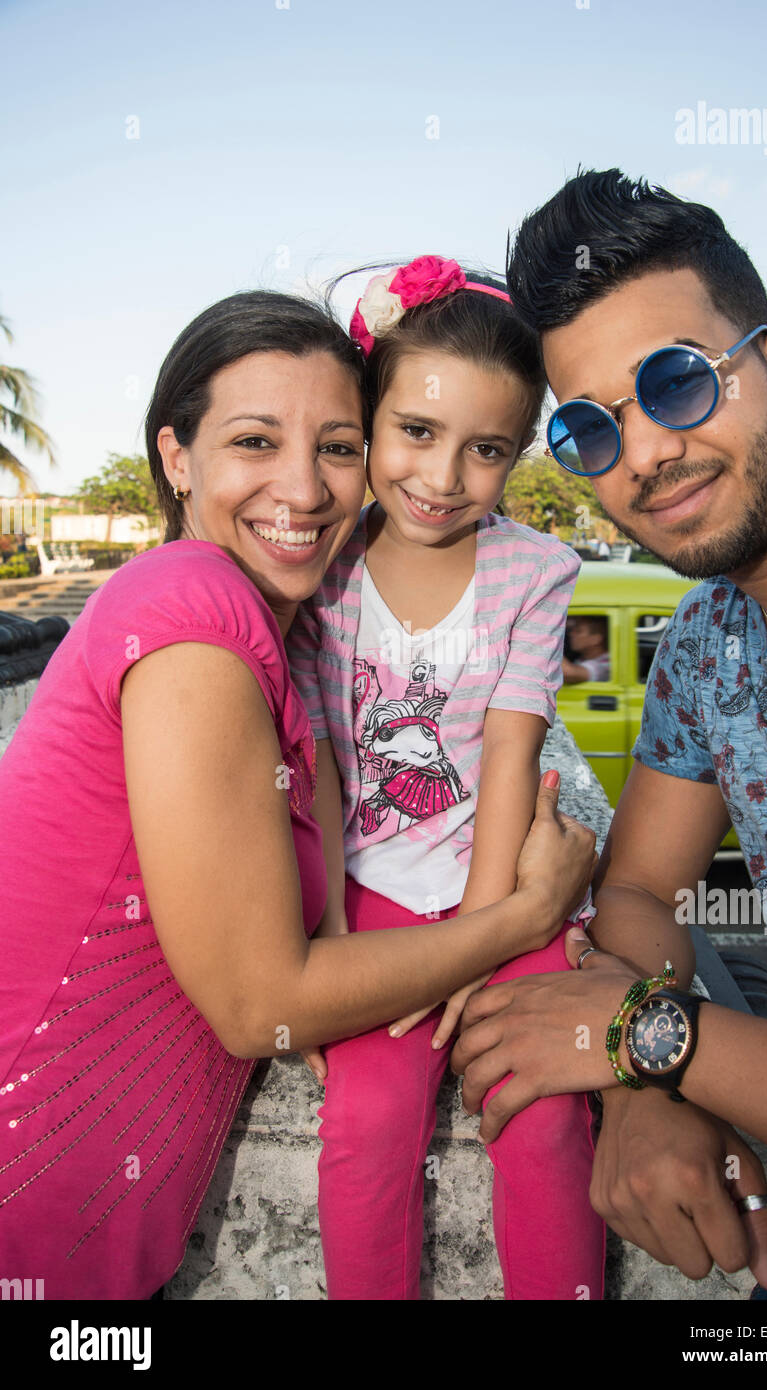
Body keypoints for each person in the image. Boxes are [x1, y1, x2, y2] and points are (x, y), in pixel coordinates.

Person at [0, 290, 595, 1300]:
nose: (302, 487)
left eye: (334, 446)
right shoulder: (191, 613)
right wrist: (530, 912)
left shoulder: (254, 614)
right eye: (252, 441)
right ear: (177, 457)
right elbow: (261, 1002)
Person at [452, 168, 767, 1302]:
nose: (641, 456)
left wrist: (648, 1036)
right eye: (591, 428)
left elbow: (638, 1004)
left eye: (678, 383)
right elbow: (635, 890)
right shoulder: (705, 643)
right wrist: (643, 1094)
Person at [285, 255, 605, 1301]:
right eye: (416, 433)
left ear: (515, 457)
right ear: (370, 422)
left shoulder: (537, 571)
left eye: (485, 450)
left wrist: (479, 941)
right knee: (368, 1120)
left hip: (497, 883)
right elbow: (326, 761)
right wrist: (329, 933)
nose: (442, 475)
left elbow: (511, 751)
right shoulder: (322, 569)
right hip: (369, 893)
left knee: (546, 1114)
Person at [563, 614, 610, 683]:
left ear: (596, 639)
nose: (571, 634)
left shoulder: (606, 664)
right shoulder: (580, 658)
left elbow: (568, 673)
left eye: (578, 631)